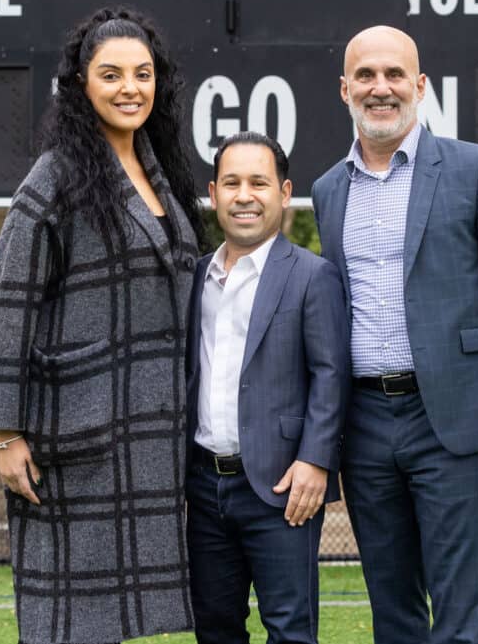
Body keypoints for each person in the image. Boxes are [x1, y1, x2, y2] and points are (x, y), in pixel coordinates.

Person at [310, 25, 478, 644]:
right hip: (365, 424)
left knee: (460, 610)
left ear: (419, 86)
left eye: (394, 74)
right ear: (345, 90)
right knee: (393, 611)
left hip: (453, 417)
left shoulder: (477, 169)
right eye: (365, 75)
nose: (380, 87)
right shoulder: (328, 190)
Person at [0, 7, 204, 644]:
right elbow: (8, 307)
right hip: (76, 436)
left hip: (151, 433)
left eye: (143, 74)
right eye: (112, 75)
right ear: (81, 85)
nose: (130, 88)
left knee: (116, 620)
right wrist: (7, 434)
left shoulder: (162, 171)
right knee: (71, 621)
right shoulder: (53, 178)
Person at [186, 131, 350, 644]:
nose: (245, 196)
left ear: (284, 192)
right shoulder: (195, 277)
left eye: (258, 183)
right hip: (204, 487)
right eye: (232, 183)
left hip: (282, 486)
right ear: (213, 193)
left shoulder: (313, 276)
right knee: (215, 630)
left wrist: (316, 460)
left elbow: (331, 374)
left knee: (290, 631)